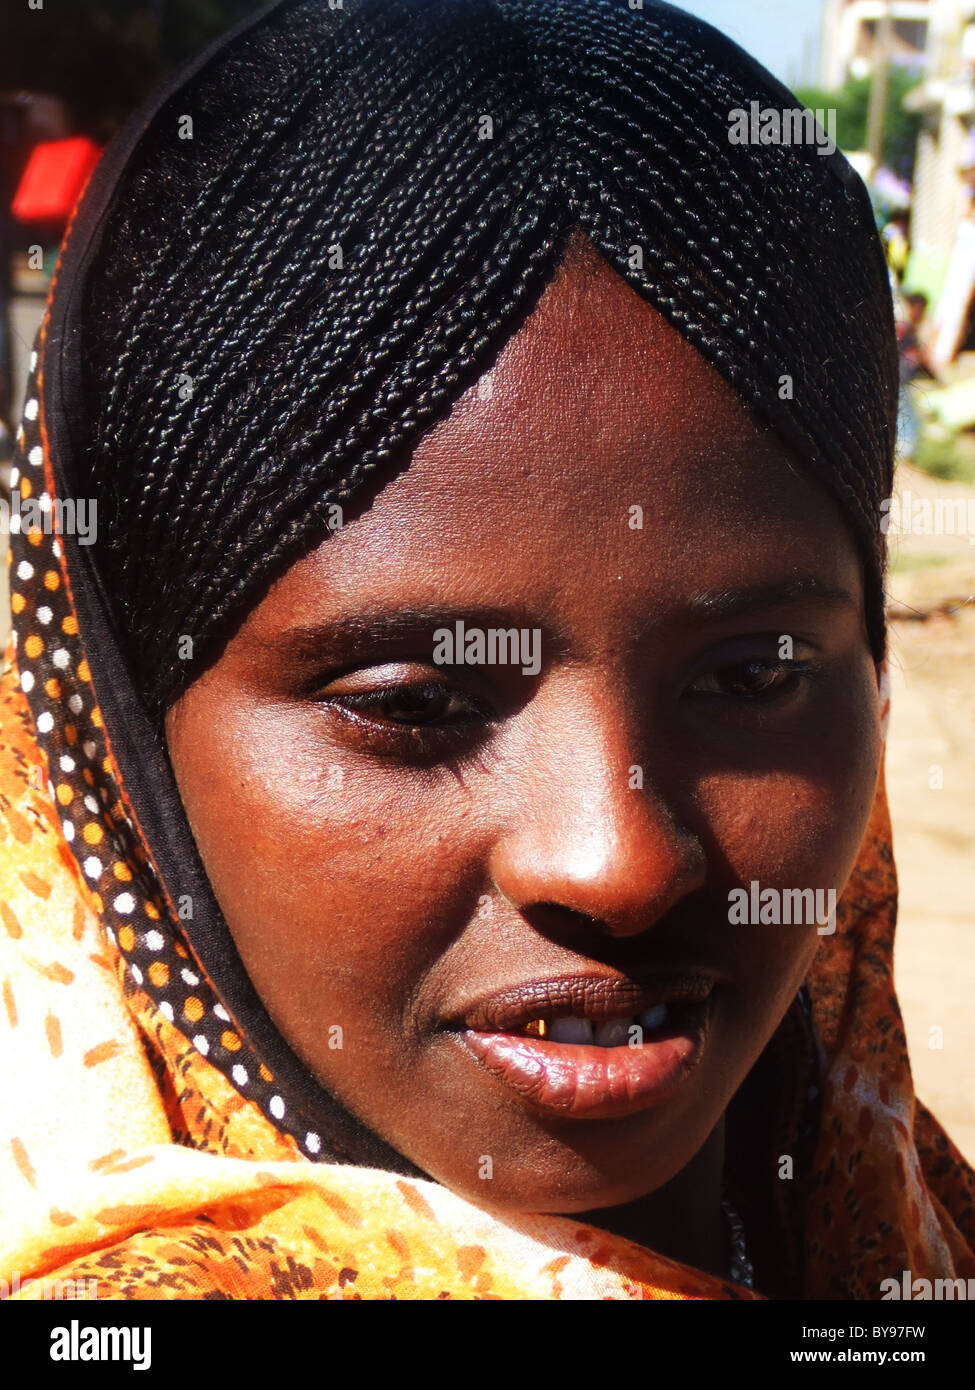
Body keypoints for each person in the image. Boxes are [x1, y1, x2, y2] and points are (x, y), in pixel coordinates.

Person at [1, 0, 972, 1302]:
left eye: (750, 676)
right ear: (119, 748)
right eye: (419, 703)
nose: (618, 863)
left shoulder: (902, 1241)